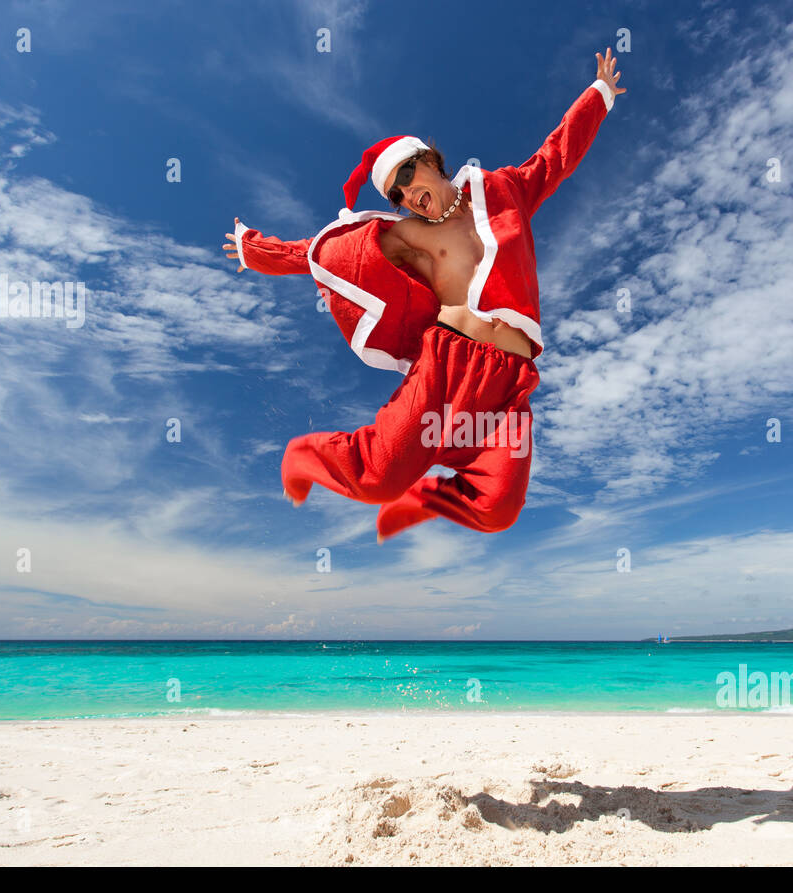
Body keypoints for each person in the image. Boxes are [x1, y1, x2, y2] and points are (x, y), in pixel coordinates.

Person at [224, 49, 626, 540]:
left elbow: (555, 157)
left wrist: (599, 94)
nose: (406, 195)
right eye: (395, 194)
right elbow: (322, 253)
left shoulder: (503, 191)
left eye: (409, 177)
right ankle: (306, 454)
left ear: (431, 161)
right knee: (378, 477)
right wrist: (254, 250)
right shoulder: (408, 237)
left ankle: (430, 497)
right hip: (446, 365)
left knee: (499, 507)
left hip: (509, 381)